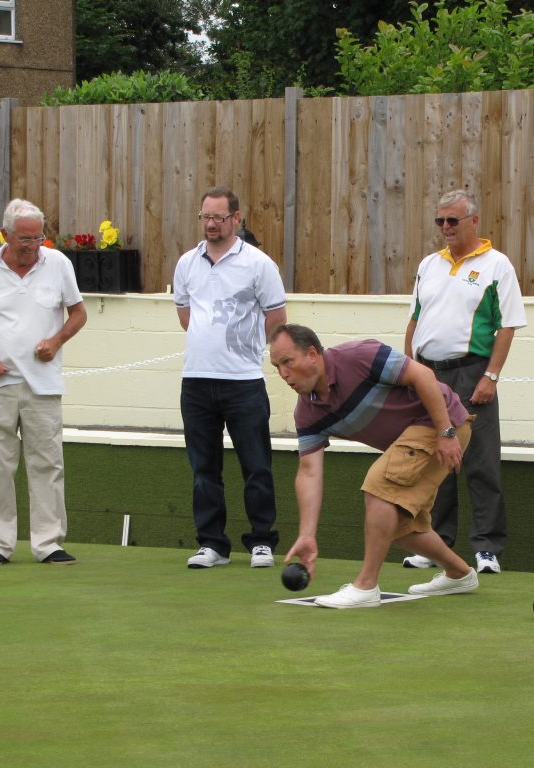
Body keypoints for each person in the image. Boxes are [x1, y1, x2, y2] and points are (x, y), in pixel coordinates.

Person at [270, 323, 481, 609]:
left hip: (440, 424)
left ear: (311, 354)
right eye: (277, 366)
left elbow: (422, 375)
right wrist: (307, 535)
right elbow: (309, 471)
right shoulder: (307, 411)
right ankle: (459, 574)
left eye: (287, 362)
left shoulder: (358, 356)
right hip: (416, 440)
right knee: (401, 526)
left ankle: (366, 586)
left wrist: (446, 432)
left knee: (379, 488)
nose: (283, 374)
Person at [0, 199, 87, 566]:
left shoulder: (58, 264)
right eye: (23, 239)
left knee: (48, 463)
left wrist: (56, 341)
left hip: (44, 385)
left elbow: (79, 313)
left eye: (37, 238)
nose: (31, 246)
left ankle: (48, 543)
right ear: (6, 234)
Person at [403, 189, 527, 575]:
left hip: (472, 372)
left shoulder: (497, 266)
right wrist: (409, 368)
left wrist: (491, 375)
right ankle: (434, 543)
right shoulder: (429, 264)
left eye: (452, 221)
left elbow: (508, 325)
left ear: (474, 220)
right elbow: (414, 318)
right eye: (439, 221)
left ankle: (487, 548)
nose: (445, 228)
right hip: (429, 373)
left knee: (480, 461)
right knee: (432, 458)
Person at [174, 186, 287, 569]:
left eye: (218, 218)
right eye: (205, 216)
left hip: (244, 382)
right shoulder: (187, 263)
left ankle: (261, 542)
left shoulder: (258, 264)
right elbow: (185, 314)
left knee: (256, 465)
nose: (210, 224)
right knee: (204, 468)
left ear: (235, 219)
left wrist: (248, 350)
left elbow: (276, 318)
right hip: (196, 381)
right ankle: (212, 544)